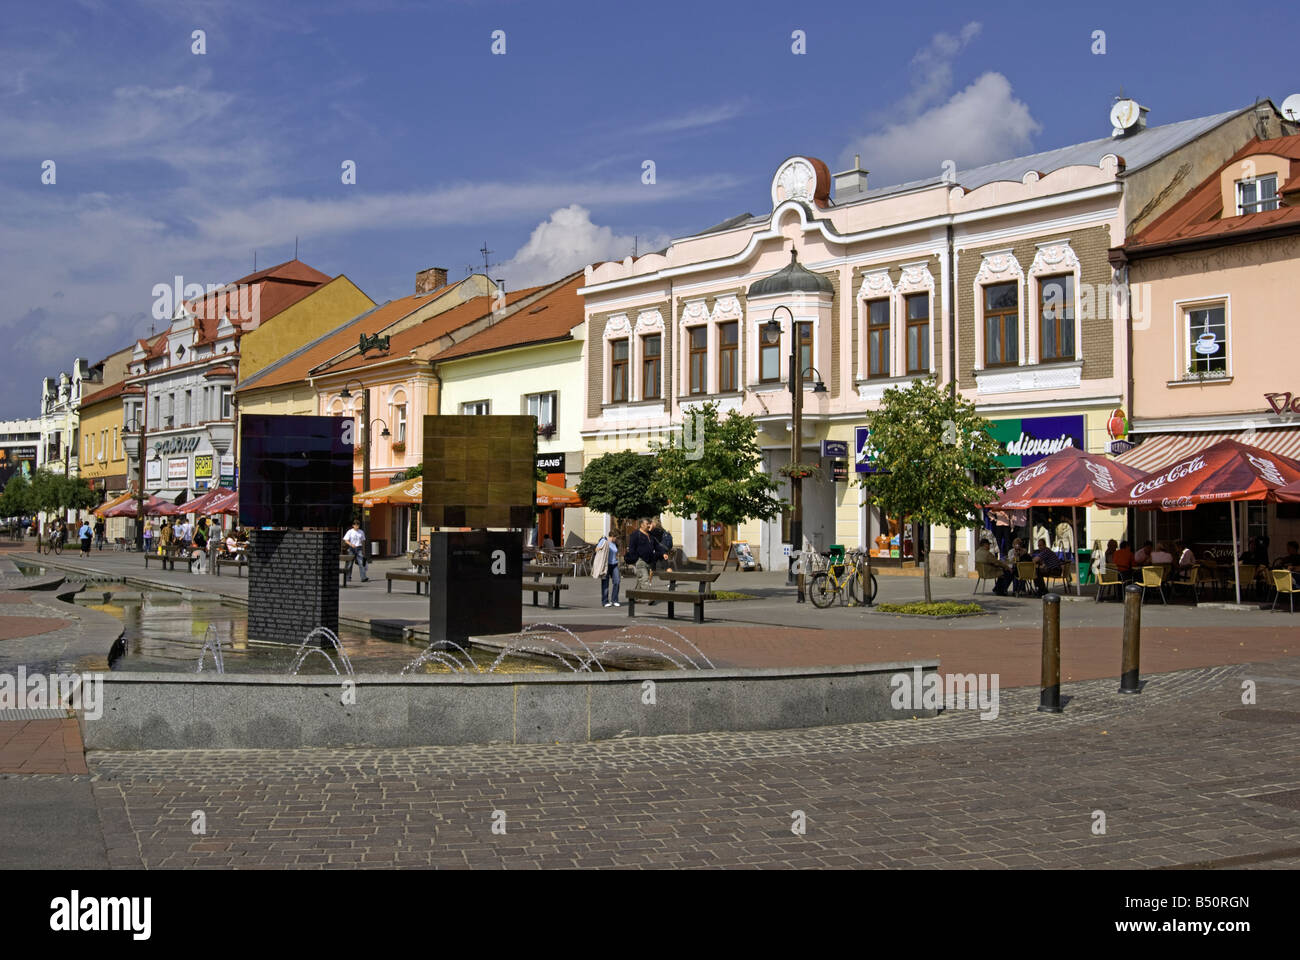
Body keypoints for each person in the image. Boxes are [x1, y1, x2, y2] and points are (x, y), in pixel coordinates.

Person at [627, 518, 667, 603]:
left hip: (649, 561)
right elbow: (631, 549)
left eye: (649, 523)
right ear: (641, 525)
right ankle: (650, 596)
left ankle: (635, 597)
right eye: (647, 524)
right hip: (640, 561)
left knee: (640, 579)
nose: (649, 525)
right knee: (645, 579)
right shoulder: (635, 535)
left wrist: (663, 553)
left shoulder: (650, 535)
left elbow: (657, 546)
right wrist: (635, 558)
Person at [592, 529, 621, 607]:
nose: (617, 539)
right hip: (606, 565)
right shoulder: (604, 541)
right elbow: (596, 549)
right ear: (612, 536)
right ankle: (605, 601)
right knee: (605, 583)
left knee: (617, 581)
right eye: (616, 538)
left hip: (614, 564)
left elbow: (615, 552)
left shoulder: (614, 543)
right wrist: (600, 548)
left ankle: (614, 600)